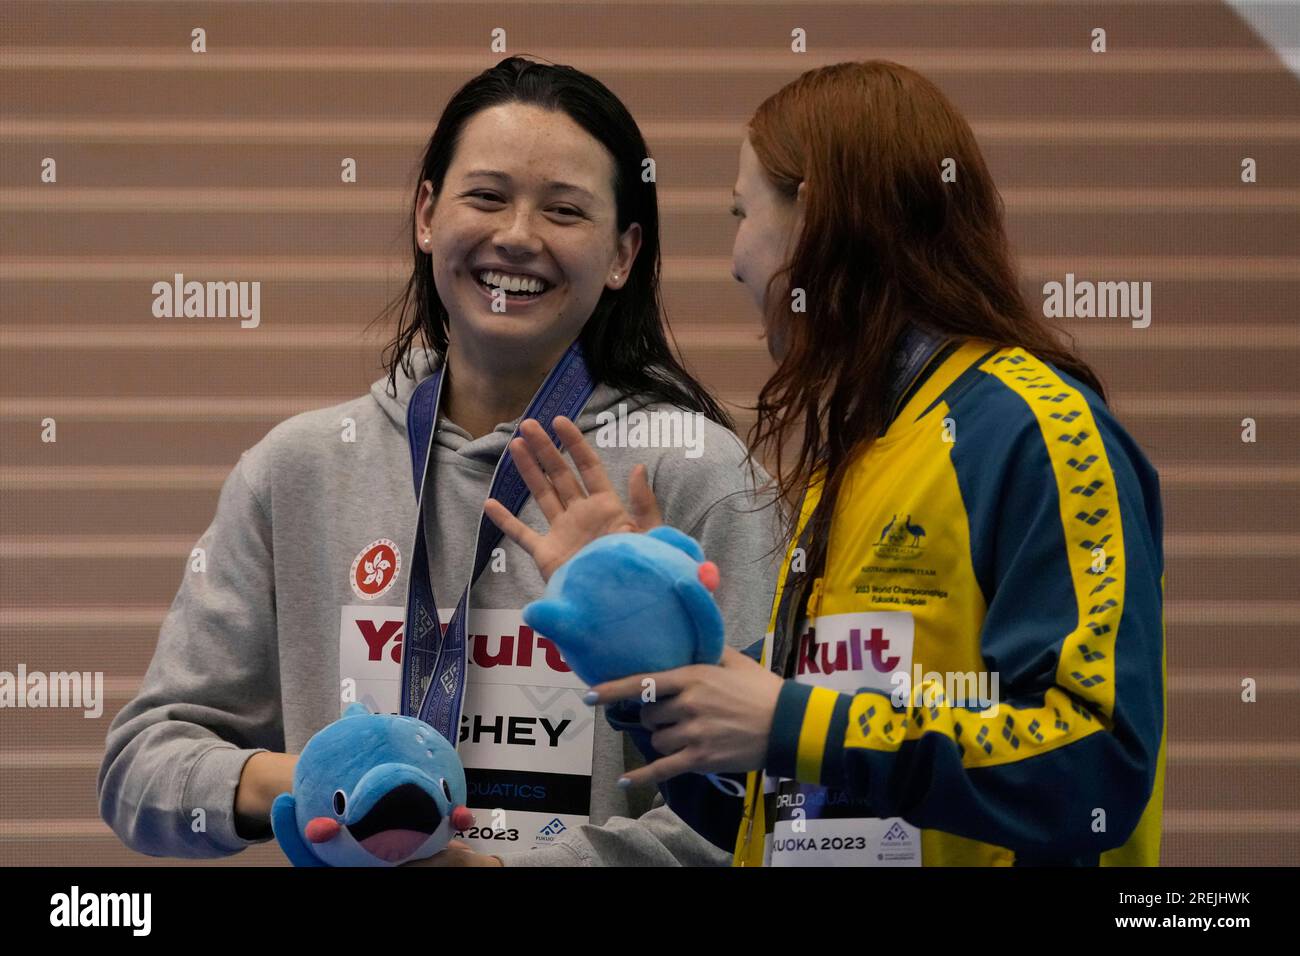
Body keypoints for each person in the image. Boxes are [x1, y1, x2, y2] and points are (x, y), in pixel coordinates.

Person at [97, 56, 782, 867]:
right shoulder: (301, 469)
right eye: (486, 197)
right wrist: (332, 787)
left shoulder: (691, 474)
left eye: (564, 210)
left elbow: (754, 811)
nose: (518, 236)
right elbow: (140, 770)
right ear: (427, 214)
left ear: (624, 252)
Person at [493, 60, 1166, 866]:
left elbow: (1097, 763)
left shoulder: (1037, 430)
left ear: (813, 216)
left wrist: (795, 722)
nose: (736, 260)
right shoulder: (851, 462)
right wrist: (648, 655)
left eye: (743, 214)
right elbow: (773, 814)